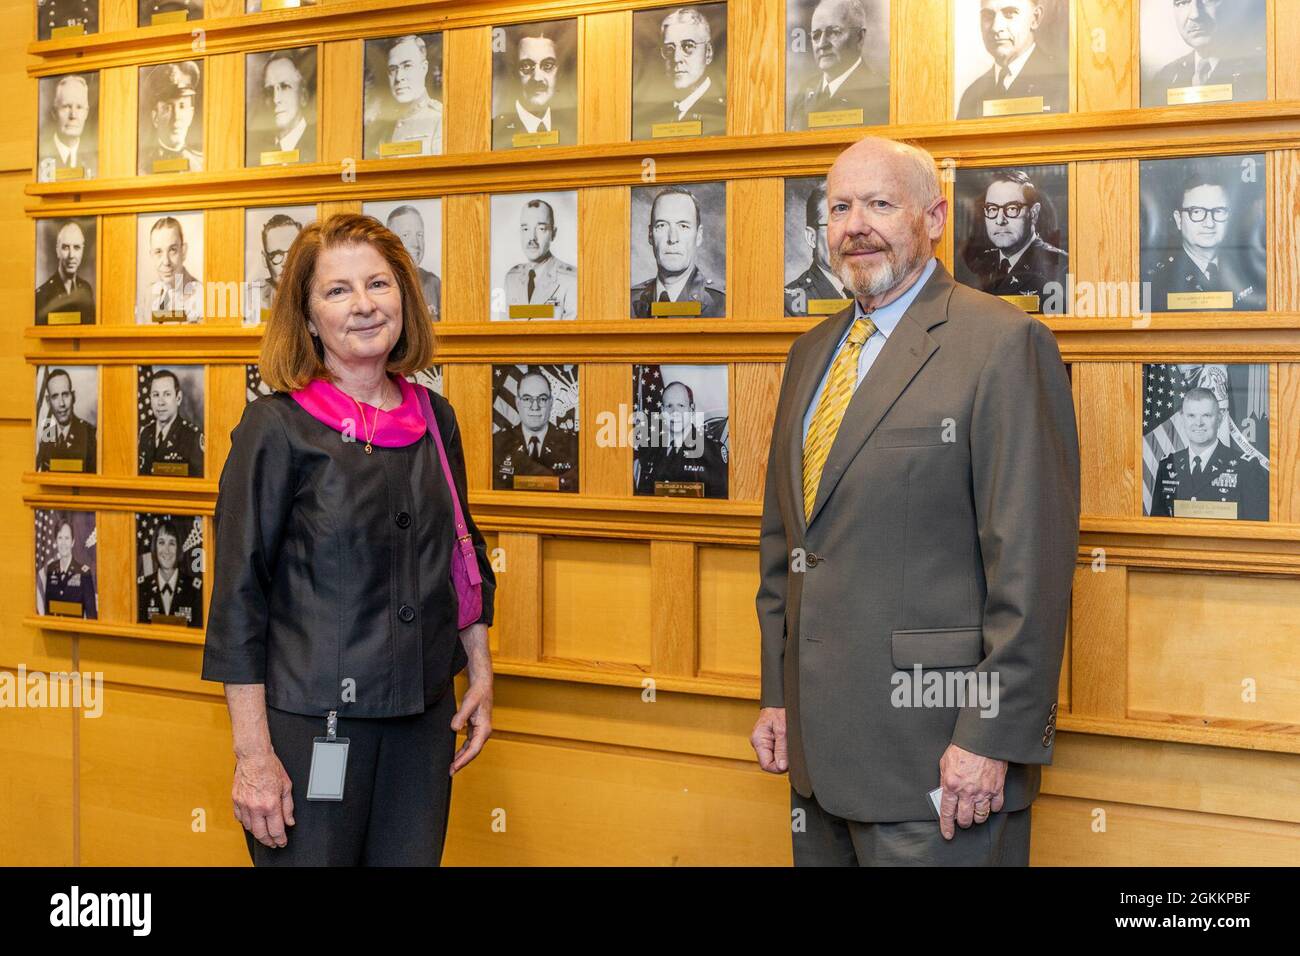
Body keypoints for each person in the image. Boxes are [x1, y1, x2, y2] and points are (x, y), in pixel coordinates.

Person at [750, 135, 1079, 866]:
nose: (855, 224)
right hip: (817, 765)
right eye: (839, 206)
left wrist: (988, 738)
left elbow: (1033, 569)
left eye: (879, 203)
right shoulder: (810, 355)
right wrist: (779, 696)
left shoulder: (1002, 345)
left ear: (931, 217)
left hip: (942, 769)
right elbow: (786, 548)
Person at [202, 212, 496, 866]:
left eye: (379, 284)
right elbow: (237, 598)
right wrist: (252, 756)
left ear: (405, 300)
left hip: (424, 725)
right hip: (314, 730)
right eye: (337, 291)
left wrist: (478, 670)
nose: (364, 304)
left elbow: (461, 550)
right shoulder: (275, 429)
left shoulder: (433, 416)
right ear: (307, 317)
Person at [1146, 173, 1264, 311]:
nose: (1209, 223)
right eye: (1196, 212)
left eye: (1219, 211)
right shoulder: (1158, 280)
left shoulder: (1248, 270)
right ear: (1178, 220)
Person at [1150, 387, 1268, 521]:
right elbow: (1157, 527)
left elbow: (1257, 529)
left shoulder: (1246, 467)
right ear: (1182, 418)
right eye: (1191, 416)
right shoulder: (1168, 466)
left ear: (1219, 418)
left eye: (1206, 415)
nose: (1198, 423)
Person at [964, 169, 1067, 303]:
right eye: (992, 209)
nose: (1000, 220)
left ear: (1034, 213)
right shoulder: (977, 265)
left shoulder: (1060, 265)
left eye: (1012, 208)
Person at [956, 0, 1067, 119]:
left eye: (1009, 14)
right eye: (988, 15)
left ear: (1035, 18)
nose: (995, 28)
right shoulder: (972, 96)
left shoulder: (1064, 85)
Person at [788, 0, 888, 130]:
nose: (822, 44)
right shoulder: (803, 95)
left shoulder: (883, 95)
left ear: (859, 37)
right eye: (816, 36)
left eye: (834, 32)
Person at [1147, 0, 1265, 105]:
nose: (1195, 14)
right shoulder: (1164, 78)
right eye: (1182, 2)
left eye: (1209, 1)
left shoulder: (1262, 70)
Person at [631, 186, 725, 317]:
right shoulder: (628, 301)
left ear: (698, 236)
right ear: (650, 235)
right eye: (662, 225)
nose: (672, 238)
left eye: (683, 226)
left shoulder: (723, 304)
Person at [636, 6, 726, 138]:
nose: (676, 58)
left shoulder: (722, 111)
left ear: (708, 52)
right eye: (669, 48)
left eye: (688, 46)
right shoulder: (655, 111)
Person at [634, 381, 728, 498]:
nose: (674, 413)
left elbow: (720, 502)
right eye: (669, 406)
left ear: (692, 409)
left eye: (681, 406)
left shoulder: (712, 451)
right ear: (662, 411)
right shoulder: (650, 450)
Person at [492, 369, 579, 491]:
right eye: (527, 399)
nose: (535, 407)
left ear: (551, 403)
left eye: (542, 399)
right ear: (517, 403)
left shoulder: (573, 444)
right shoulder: (498, 443)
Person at [492, 29, 574, 148]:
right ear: (514, 71)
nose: (537, 78)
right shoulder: (495, 132)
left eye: (547, 65)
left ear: (558, 71)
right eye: (526, 66)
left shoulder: (575, 127)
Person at [502, 199, 577, 319]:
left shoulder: (572, 280)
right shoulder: (511, 279)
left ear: (553, 233)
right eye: (525, 229)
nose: (532, 238)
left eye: (541, 229)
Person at [370, 34, 443, 157]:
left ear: (424, 68)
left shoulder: (440, 119)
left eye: (407, 66)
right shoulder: (383, 125)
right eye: (393, 69)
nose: (399, 77)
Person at [785, 180, 849, 316]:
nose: (847, 237)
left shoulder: (870, 291)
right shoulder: (791, 303)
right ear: (811, 238)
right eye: (835, 228)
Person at [138, 60, 204, 174]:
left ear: (191, 114)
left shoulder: (202, 166)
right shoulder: (140, 169)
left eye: (182, 106)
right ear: (155, 117)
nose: (176, 117)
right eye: (167, 108)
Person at [250, 51, 316, 163]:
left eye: (285, 86)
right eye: (269, 90)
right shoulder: (255, 153)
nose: (276, 99)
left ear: (303, 96)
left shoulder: (318, 144)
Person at [137, 368, 205, 477]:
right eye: (155, 395)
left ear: (178, 398)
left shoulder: (193, 437)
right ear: (149, 398)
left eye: (167, 394)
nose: (160, 402)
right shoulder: (145, 433)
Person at [137, 519, 202, 627]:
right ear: (155, 547)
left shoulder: (194, 590)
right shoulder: (142, 587)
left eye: (172, 543)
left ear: (178, 549)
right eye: (161, 543)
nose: (166, 550)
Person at [384, 206, 441, 319]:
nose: (415, 243)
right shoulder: (377, 285)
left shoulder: (433, 284)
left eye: (419, 235)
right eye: (406, 235)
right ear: (389, 242)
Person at [36, 368, 97, 473]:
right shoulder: (47, 430)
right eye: (55, 397)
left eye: (65, 395)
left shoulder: (89, 433)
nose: (61, 404)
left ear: (73, 397)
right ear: (48, 402)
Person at [143, 215, 202, 322]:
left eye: (172, 250)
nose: (166, 261)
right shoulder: (149, 295)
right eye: (158, 252)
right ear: (151, 255)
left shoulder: (201, 296)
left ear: (183, 251)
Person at [36, 220, 95, 325]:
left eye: (76, 247)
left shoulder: (86, 289)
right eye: (66, 247)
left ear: (82, 251)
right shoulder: (42, 295)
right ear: (57, 251)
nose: (71, 255)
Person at [38, 74, 96, 181]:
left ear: (86, 113)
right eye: (66, 106)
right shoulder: (40, 158)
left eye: (79, 107)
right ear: (54, 113)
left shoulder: (96, 162)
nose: (73, 115)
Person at [251, 212, 303, 321]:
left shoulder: (317, 295)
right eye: (276, 254)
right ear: (264, 260)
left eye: (293, 252)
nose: (286, 262)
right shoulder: (252, 299)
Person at [41, 519, 97, 619]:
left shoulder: (84, 573)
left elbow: (91, 616)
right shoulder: (51, 569)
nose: (63, 543)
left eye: (67, 538)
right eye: (60, 538)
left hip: (76, 633)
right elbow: (48, 612)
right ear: (55, 541)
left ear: (73, 542)